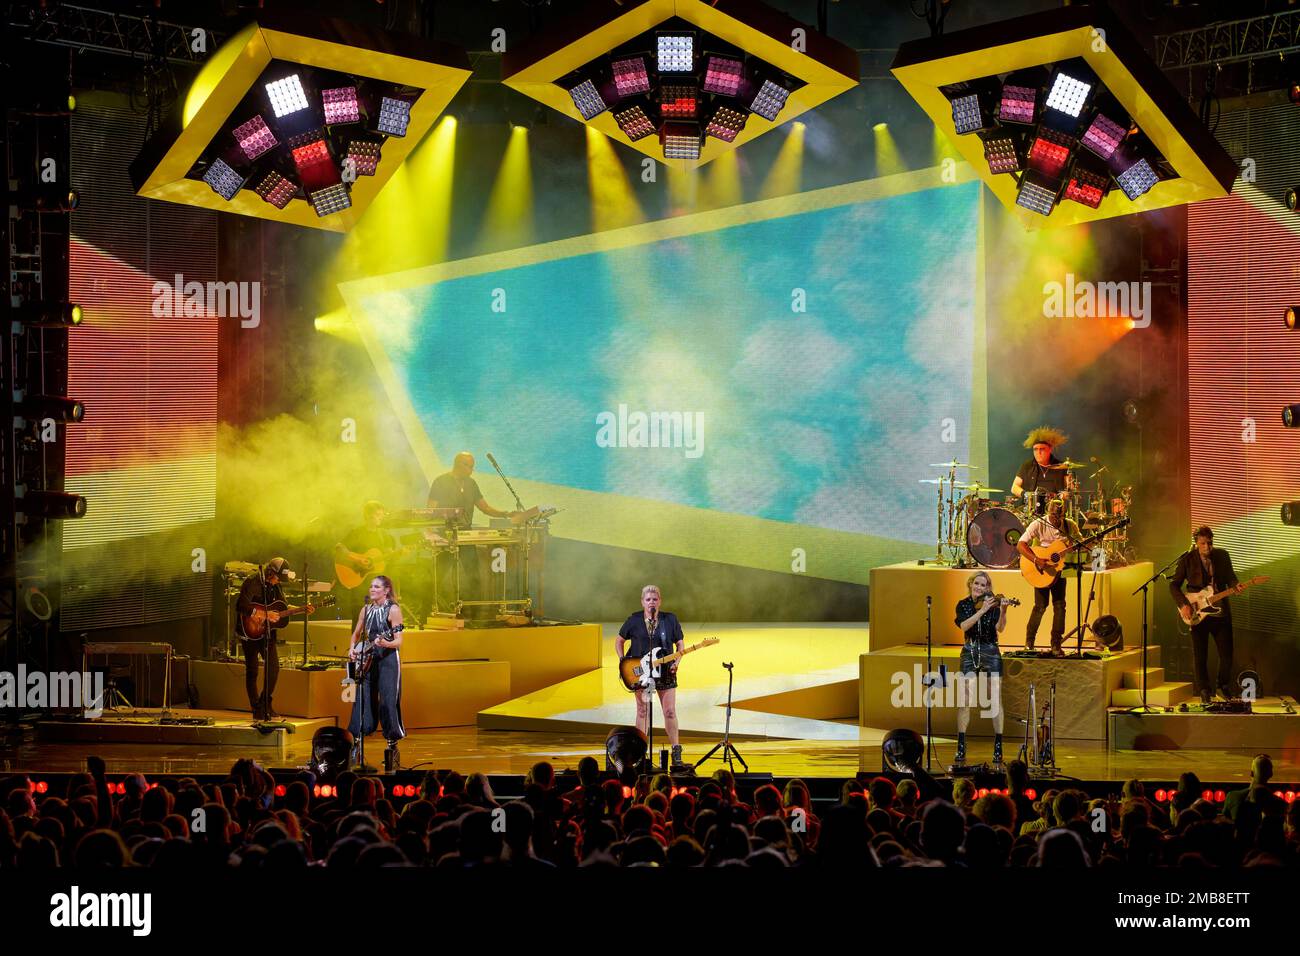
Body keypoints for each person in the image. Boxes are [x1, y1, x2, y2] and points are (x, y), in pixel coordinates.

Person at [426, 452, 521, 615]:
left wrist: (505, 513)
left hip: (465, 535)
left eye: (472, 466)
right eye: (469, 466)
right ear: (458, 464)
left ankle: (475, 613)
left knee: (473, 575)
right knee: (438, 575)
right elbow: (430, 509)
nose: (471, 470)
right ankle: (428, 610)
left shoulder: (471, 484)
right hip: (446, 535)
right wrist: (436, 527)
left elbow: (485, 508)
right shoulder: (441, 481)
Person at [1169, 526, 1243, 704]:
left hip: (1220, 611)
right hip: (1198, 612)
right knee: (1200, 655)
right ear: (1196, 544)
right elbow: (1174, 585)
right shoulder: (1187, 559)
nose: (1207, 547)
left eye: (1210, 543)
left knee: (1227, 655)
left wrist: (1236, 585)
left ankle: (1222, 686)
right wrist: (1184, 604)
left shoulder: (1222, 556)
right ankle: (1203, 690)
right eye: (1203, 543)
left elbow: (1231, 577)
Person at [616, 585, 685, 770]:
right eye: (648, 599)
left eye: (654, 599)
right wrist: (624, 661)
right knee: (642, 711)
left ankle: (676, 754)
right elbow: (619, 640)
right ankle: (640, 754)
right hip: (642, 674)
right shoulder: (634, 620)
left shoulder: (669, 619)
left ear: (660, 601)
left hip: (665, 671)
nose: (651, 602)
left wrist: (677, 662)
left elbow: (679, 643)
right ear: (642, 602)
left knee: (669, 711)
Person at [347, 575, 406, 767]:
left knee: (388, 702)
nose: (372, 589)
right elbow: (356, 633)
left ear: (386, 590)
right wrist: (352, 649)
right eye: (371, 586)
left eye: (376, 586)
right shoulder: (366, 609)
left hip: (388, 661)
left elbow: (399, 640)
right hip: (368, 659)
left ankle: (392, 745)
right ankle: (356, 743)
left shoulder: (394, 610)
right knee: (362, 700)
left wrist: (386, 642)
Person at [954, 571, 1010, 768]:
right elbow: (964, 625)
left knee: (995, 698)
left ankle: (998, 745)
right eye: (976, 583)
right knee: (964, 700)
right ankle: (961, 744)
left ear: (988, 587)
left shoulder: (993, 604)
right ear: (971, 584)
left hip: (991, 649)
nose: (979, 587)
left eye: (983, 585)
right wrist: (982, 610)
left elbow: (1000, 628)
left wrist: (1002, 611)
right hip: (970, 649)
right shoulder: (963, 604)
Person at [1017, 498, 1081, 656]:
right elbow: (1021, 544)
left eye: (1059, 516)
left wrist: (1080, 546)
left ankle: (1056, 644)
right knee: (1040, 606)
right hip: (1041, 570)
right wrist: (1036, 559)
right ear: (1048, 512)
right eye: (1053, 515)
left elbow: (1079, 543)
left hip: (1060, 570)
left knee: (1060, 606)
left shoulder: (1070, 525)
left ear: (1064, 513)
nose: (1056, 519)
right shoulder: (1039, 523)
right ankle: (1029, 642)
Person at [235, 557, 294, 720]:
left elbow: (282, 606)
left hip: (267, 632)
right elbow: (241, 606)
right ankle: (256, 708)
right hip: (249, 631)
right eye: (277, 578)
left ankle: (264, 704)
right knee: (252, 670)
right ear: (270, 573)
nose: (277, 582)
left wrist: (301, 609)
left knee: (274, 668)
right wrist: (263, 614)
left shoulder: (276, 586)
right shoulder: (252, 582)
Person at [334, 500, 397, 624]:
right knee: (359, 619)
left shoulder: (384, 535)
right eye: (378, 515)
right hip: (359, 581)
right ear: (368, 516)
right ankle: (356, 643)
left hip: (379, 584)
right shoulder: (357, 533)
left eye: (382, 515)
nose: (381, 518)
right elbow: (339, 548)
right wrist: (357, 559)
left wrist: (399, 553)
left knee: (379, 620)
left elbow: (389, 556)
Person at [1009, 426, 1075, 515]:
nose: (1038, 452)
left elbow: (1070, 490)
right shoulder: (1027, 466)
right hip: (1031, 511)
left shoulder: (1062, 467)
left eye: (1042, 449)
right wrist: (1026, 495)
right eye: (1035, 449)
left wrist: (1063, 495)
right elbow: (1014, 487)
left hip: (1055, 511)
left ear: (1050, 449)